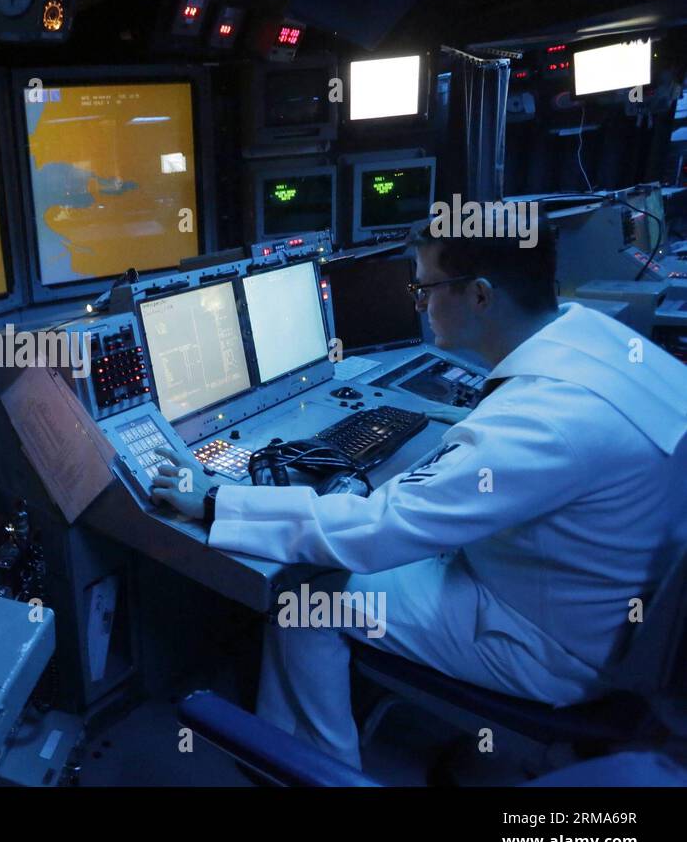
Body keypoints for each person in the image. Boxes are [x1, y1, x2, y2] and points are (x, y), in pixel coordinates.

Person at [149, 223, 687, 769]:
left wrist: (217, 501)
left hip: (555, 647)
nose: (420, 305)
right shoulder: (599, 338)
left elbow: (376, 532)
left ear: (479, 295)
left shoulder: (541, 422)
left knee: (303, 604)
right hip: (614, 613)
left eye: (425, 289)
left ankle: (311, 769)